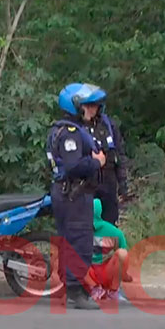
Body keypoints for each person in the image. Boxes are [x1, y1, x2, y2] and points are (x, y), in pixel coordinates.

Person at [46, 83, 107, 309]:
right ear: (76, 107)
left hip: (69, 193)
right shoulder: (70, 134)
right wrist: (96, 162)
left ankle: (72, 286)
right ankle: (75, 291)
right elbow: (73, 166)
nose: (94, 110)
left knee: (71, 240)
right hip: (73, 194)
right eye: (89, 106)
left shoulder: (64, 129)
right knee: (79, 241)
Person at [80, 91, 129, 225]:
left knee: (109, 224)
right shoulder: (76, 128)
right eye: (87, 106)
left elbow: (119, 153)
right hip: (86, 184)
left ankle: (107, 246)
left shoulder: (108, 125)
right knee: (88, 225)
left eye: (94, 106)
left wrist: (123, 184)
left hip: (108, 183)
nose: (91, 109)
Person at [86, 198, 132, 301]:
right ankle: (94, 289)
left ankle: (113, 291)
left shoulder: (114, 233)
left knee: (122, 253)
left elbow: (123, 257)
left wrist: (124, 275)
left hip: (105, 270)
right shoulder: (78, 230)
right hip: (87, 272)